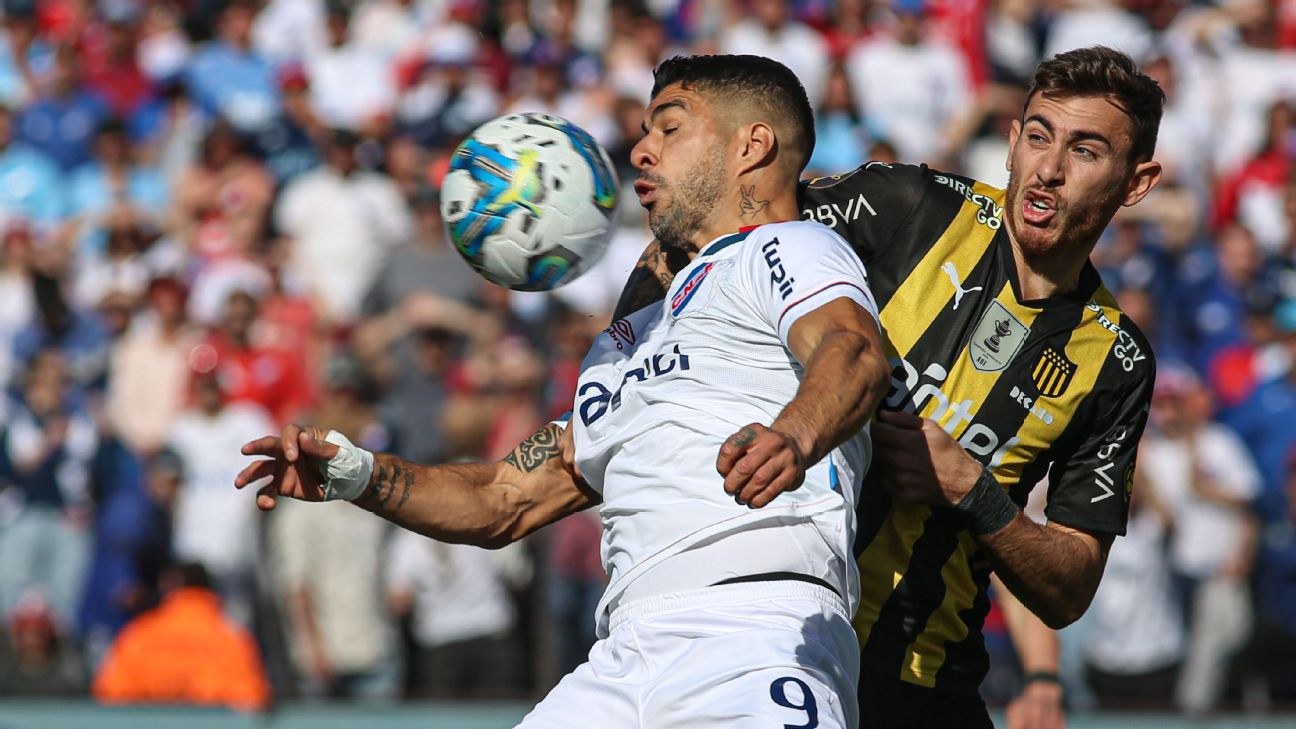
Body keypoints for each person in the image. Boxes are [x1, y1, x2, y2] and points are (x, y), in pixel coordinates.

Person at [238, 55, 891, 727]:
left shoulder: (787, 249)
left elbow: (854, 350)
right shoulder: (625, 343)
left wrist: (795, 434)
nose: (640, 149)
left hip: (756, 635)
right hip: (621, 655)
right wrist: (359, 474)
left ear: (751, 146)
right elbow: (501, 499)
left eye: (669, 127)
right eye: (643, 130)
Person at [611, 45, 1164, 729]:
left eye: (1085, 151)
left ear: (1136, 183)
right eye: (1039, 136)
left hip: (924, 684)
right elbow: (705, 231)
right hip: (779, 642)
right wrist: (621, 359)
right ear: (1013, 141)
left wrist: (972, 490)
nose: (1048, 169)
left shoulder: (1116, 361)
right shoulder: (914, 208)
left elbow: (1071, 585)